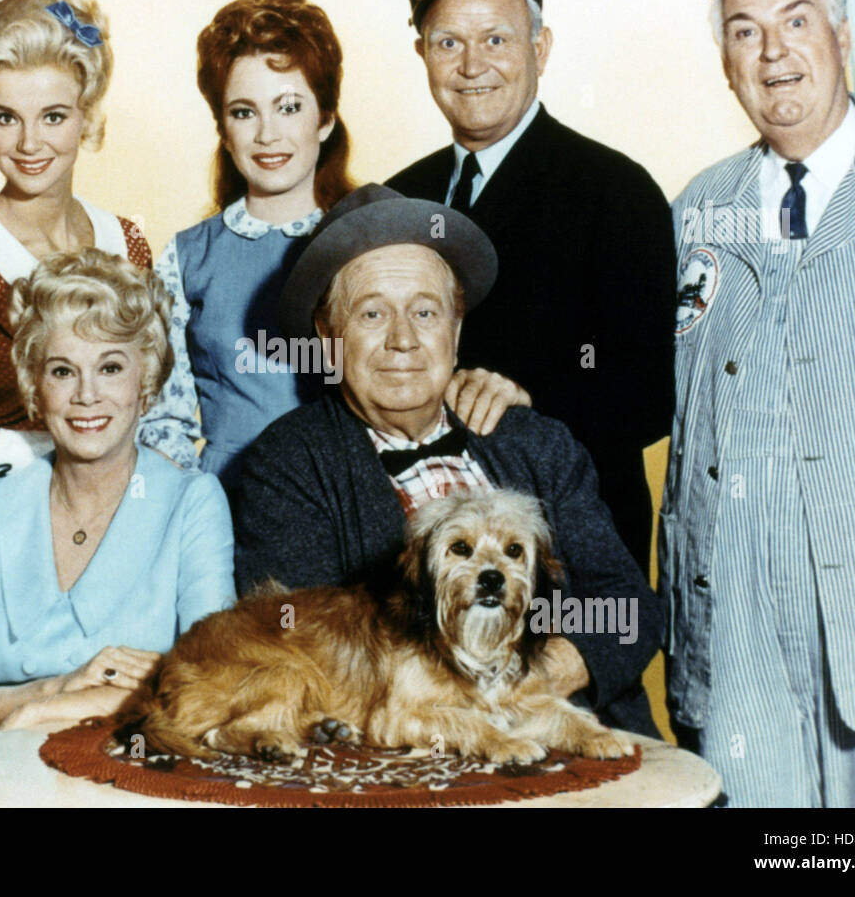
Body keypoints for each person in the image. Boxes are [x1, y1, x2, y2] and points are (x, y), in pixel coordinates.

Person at [663, 0, 855, 807]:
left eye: (795, 22)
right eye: (744, 31)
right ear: (724, 58)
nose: (773, 53)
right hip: (742, 650)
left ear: (842, 34)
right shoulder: (700, 210)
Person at [235, 184, 662, 739]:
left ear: (455, 331)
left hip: (576, 731)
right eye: (371, 314)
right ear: (327, 334)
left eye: (425, 311)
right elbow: (308, 645)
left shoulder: (534, 442)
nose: (403, 340)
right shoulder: (288, 463)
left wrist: (540, 676)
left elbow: (628, 608)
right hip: (402, 757)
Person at [142, 0, 525, 493]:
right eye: (243, 112)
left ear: (324, 119)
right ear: (222, 127)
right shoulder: (188, 257)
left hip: (358, 487)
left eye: (289, 107)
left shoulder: (378, 244)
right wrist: (192, 516)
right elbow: (162, 423)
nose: (267, 134)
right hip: (228, 502)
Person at [385, 0, 677, 576]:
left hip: (572, 560)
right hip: (423, 564)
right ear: (422, 53)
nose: (471, 65)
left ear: (540, 47)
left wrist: (527, 397)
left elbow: (651, 393)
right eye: (448, 43)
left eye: (496, 39)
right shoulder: (396, 202)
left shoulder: (616, 191)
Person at [0, 249, 235, 743]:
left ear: (146, 380)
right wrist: (53, 692)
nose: (86, 395)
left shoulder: (192, 503)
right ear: (35, 386)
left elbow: (214, 689)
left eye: (110, 368)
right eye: (62, 371)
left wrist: (36, 716)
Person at [0, 0, 153, 486]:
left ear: (86, 117)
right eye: (5, 117)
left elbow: (153, 400)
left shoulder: (126, 241)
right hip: (9, 503)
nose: (28, 143)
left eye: (53, 116)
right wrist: (69, 445)